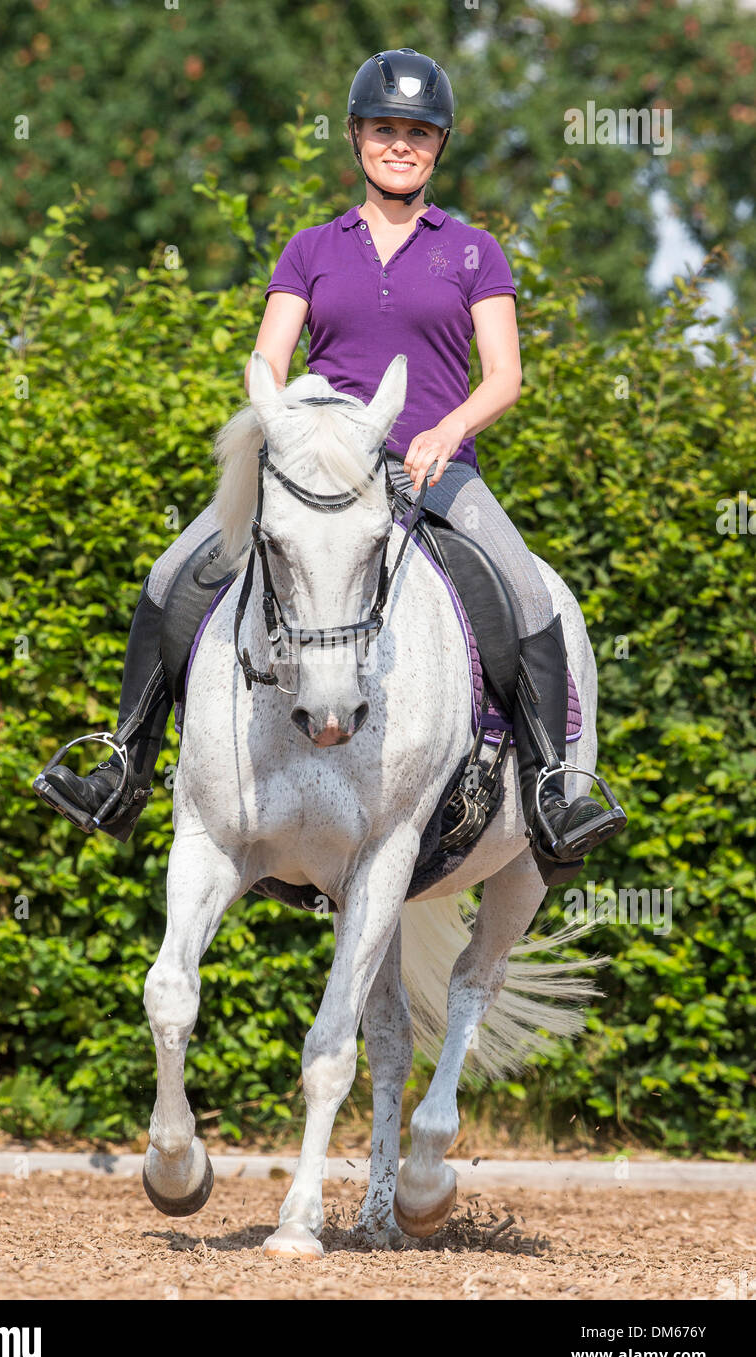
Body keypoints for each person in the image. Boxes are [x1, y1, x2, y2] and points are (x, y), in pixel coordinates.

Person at [35, 47, 625, 883]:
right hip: (319, 469)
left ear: (440, 146)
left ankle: (553, 787)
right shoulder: (313, 247)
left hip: (433, 466)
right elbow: (268, 358)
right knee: (174, 574)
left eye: (418, 134)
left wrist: (449, 428)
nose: (400, 146)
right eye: (385, 129)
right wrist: (282, 421)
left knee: (526, 591)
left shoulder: (473, 251)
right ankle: (122, 761)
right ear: (355, 137)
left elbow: (506, 376)